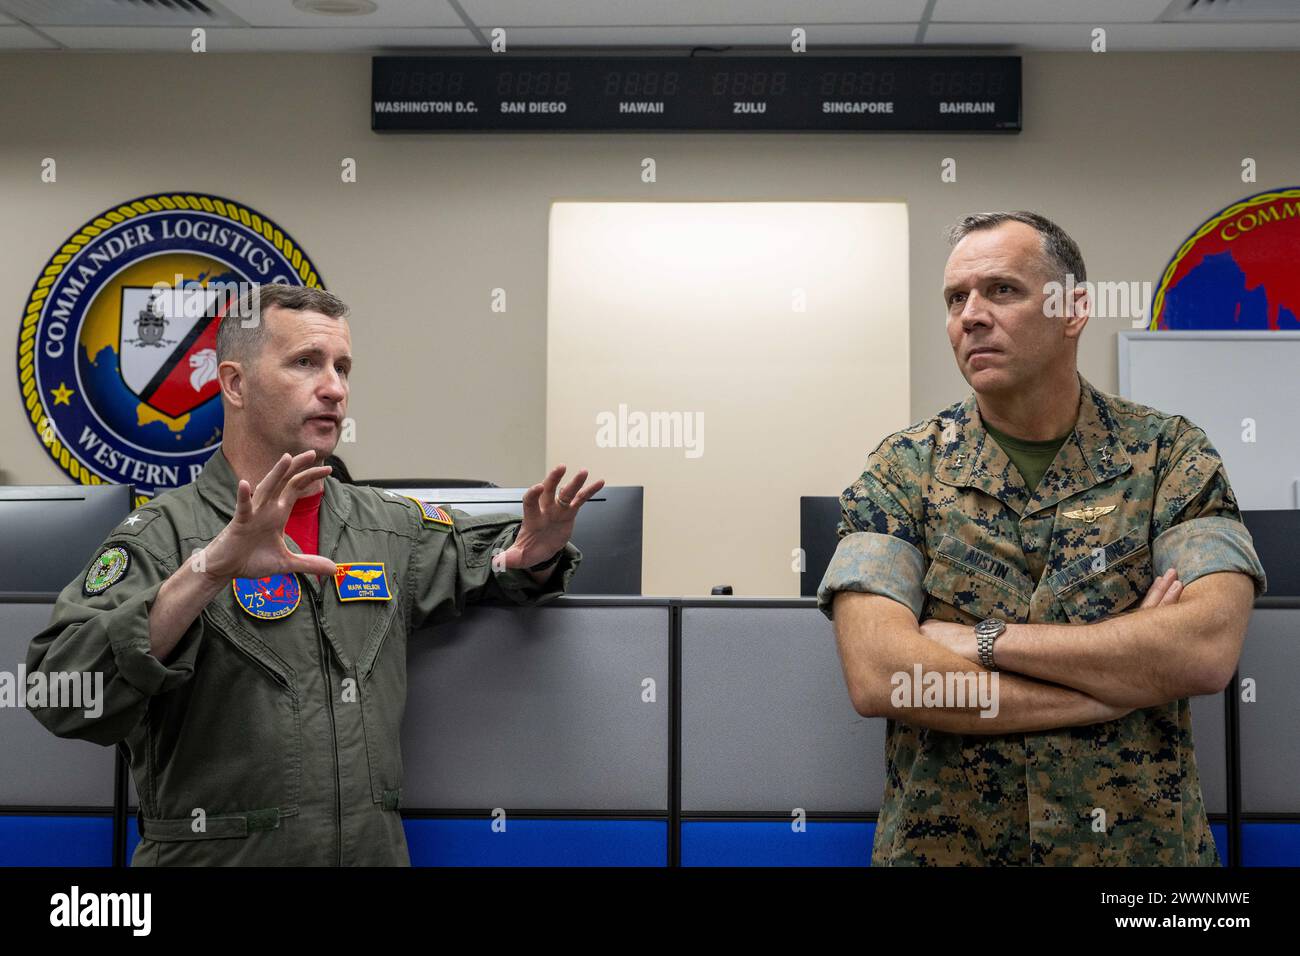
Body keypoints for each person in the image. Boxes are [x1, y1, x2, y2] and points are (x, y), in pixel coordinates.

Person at [27, 284, 604, 866]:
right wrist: (208, 570)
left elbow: (486, 559)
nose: (334, 388)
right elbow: (63, 692)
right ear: (234, 383)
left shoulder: (387, 527)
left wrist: (527, 554)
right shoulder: (163, 534)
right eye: (306, 363)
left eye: (342, 367)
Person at [817, 211, 1267, 866]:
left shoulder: (1170, 454)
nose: (970, 315)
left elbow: (1203, 650)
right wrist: (1118, 683)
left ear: (1073, 309)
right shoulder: (905, 467)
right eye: (955, 298)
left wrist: (984, 641)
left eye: (1001, 290)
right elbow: (883, 676)